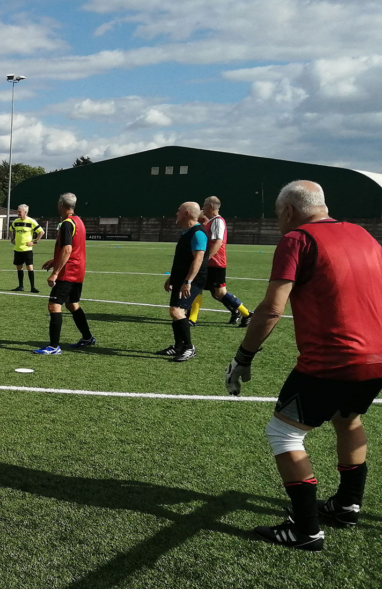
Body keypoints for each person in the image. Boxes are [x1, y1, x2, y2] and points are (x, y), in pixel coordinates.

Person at [225, 181, 382, 551]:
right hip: (376, 358)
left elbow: (272, 308)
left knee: (285, 434)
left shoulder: (297, 240)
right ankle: (347, 504)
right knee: (348, 419)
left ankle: (305, 529)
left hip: (331, 359)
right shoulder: (364, 235)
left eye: (279, 214)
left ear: (289, 211)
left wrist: (243, 356)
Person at [34, 193, 95, 355]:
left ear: (61, 204)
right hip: (78, 270)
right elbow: (73, 248)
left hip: (68, 272)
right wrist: (55, 260)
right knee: (72, 304)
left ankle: (54, 347)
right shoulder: (79, 221)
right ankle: (88, 337)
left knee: (54, 305)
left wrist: (55, 273)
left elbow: (68, 249)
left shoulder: (67, 224)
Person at [189, 196, 253, 328]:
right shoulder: (210, 221)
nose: (202, 208)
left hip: (216, 263)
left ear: (211, 207)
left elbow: (218, 242)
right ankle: (192, 319)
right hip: (209, 262)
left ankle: (246, 314)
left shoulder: (218, 221)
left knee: (219, 293)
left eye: (205, 205)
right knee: (199, 288)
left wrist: (206, 258)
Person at [155, 202, 207, 362]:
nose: (176, 214)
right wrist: (172, 278)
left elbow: (198, 260)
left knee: (177, 312)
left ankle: (189, 347)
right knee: (175, 311)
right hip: (181, 279)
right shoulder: (187, 232)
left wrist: (188, 281)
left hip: (193, 281)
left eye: (178, 211)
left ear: (186, 213)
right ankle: (178, 346)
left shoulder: (197, 233)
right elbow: (182, 260)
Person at [10, 204, 44, 292]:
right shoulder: (16, 222)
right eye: (18, 211)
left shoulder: (31, 221)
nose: (18, 213)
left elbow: (41, 232)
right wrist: (12, 239)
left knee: (29, 267)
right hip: (17, 249)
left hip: (27, 250)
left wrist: (34, 241)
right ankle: (20, 286)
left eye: (19, 211)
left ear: (25, 212)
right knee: (19, 267)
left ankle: (33, 287)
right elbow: (11, 230)